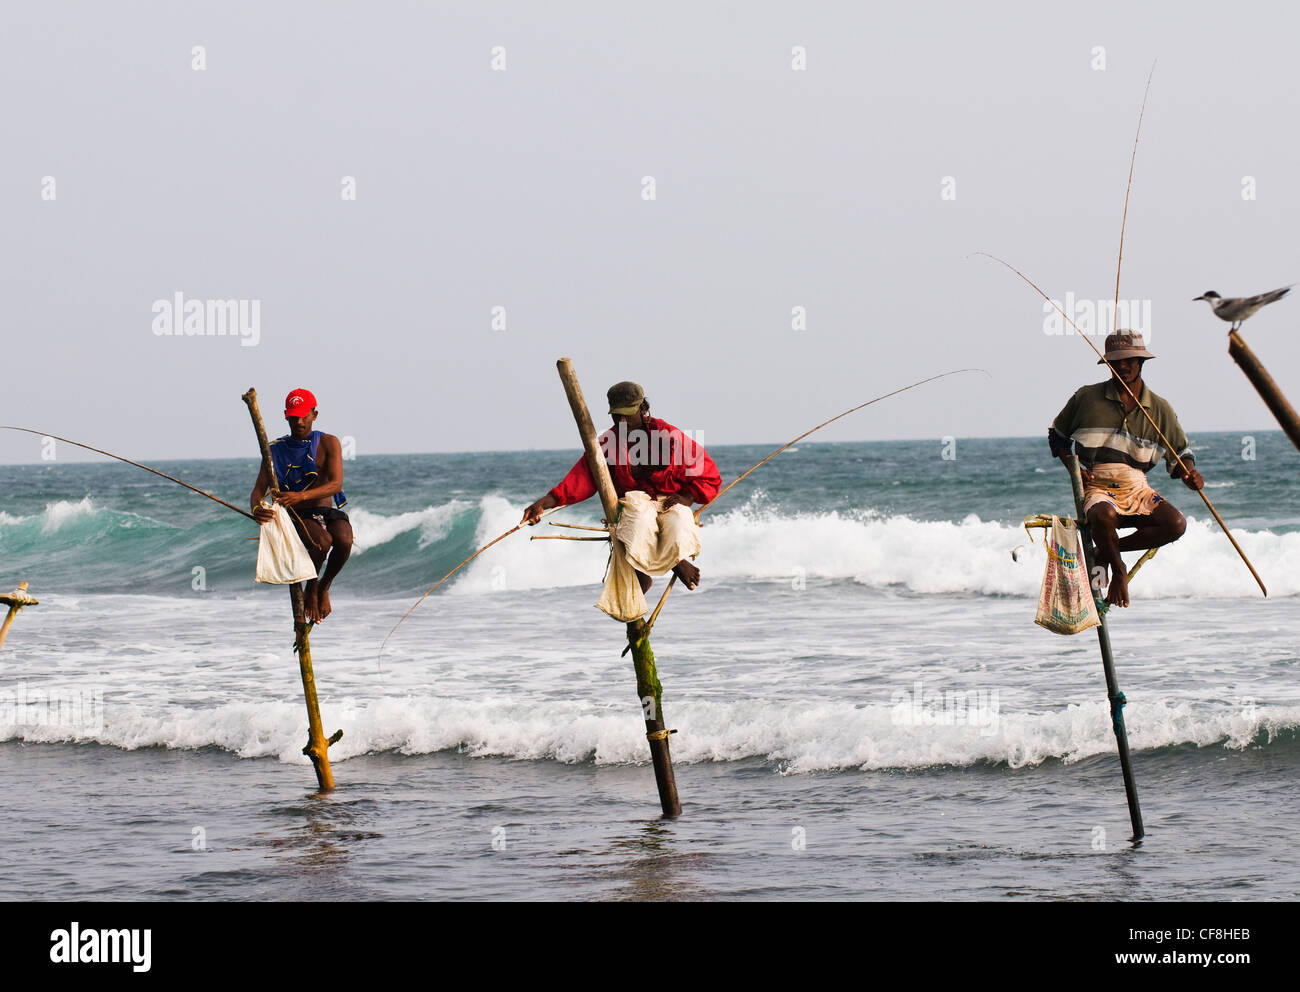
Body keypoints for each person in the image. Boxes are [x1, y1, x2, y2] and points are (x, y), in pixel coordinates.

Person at [521, 381, 721, 618]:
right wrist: (541, 504)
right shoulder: (608, 443)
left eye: (627, 415)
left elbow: (710, 477)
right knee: (638, 519)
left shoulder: (670, 437)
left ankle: (678, 559)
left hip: (671, 500)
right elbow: (578, 481)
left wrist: (686, 497)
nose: (623, 422)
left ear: (642, 408)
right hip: (635, 503)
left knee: (679, 522)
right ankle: (674, 565)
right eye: (617, 417)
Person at [1048, 331, 1204, 608]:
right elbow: (1057, 437)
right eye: (1116, 361)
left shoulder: (1159, 408)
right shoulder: (1087, 397)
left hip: (1137, 487)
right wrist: (1074, 470)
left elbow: (1181, 453)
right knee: (1103, 516)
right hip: (1098, 486)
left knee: (1176, 524)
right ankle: (1116, 570)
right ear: (1108, 364)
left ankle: (1104, 554)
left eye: (1129, 360)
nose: (1123, 366)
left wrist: (1189, 475)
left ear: (1141, 362)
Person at [250, 388, 352, 623]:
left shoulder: (328, 442)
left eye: (304, 415)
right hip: (296, 515)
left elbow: (336, 484)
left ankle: (324, 586)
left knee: (345, 539)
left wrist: (300, 495)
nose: (299, 421)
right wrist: (257, 509)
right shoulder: (274, 450)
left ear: (314, 415)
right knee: (322, 542)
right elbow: (257, 492)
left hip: (323, 509)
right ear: (286, 416)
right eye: (294, 416)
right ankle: (311, 586)